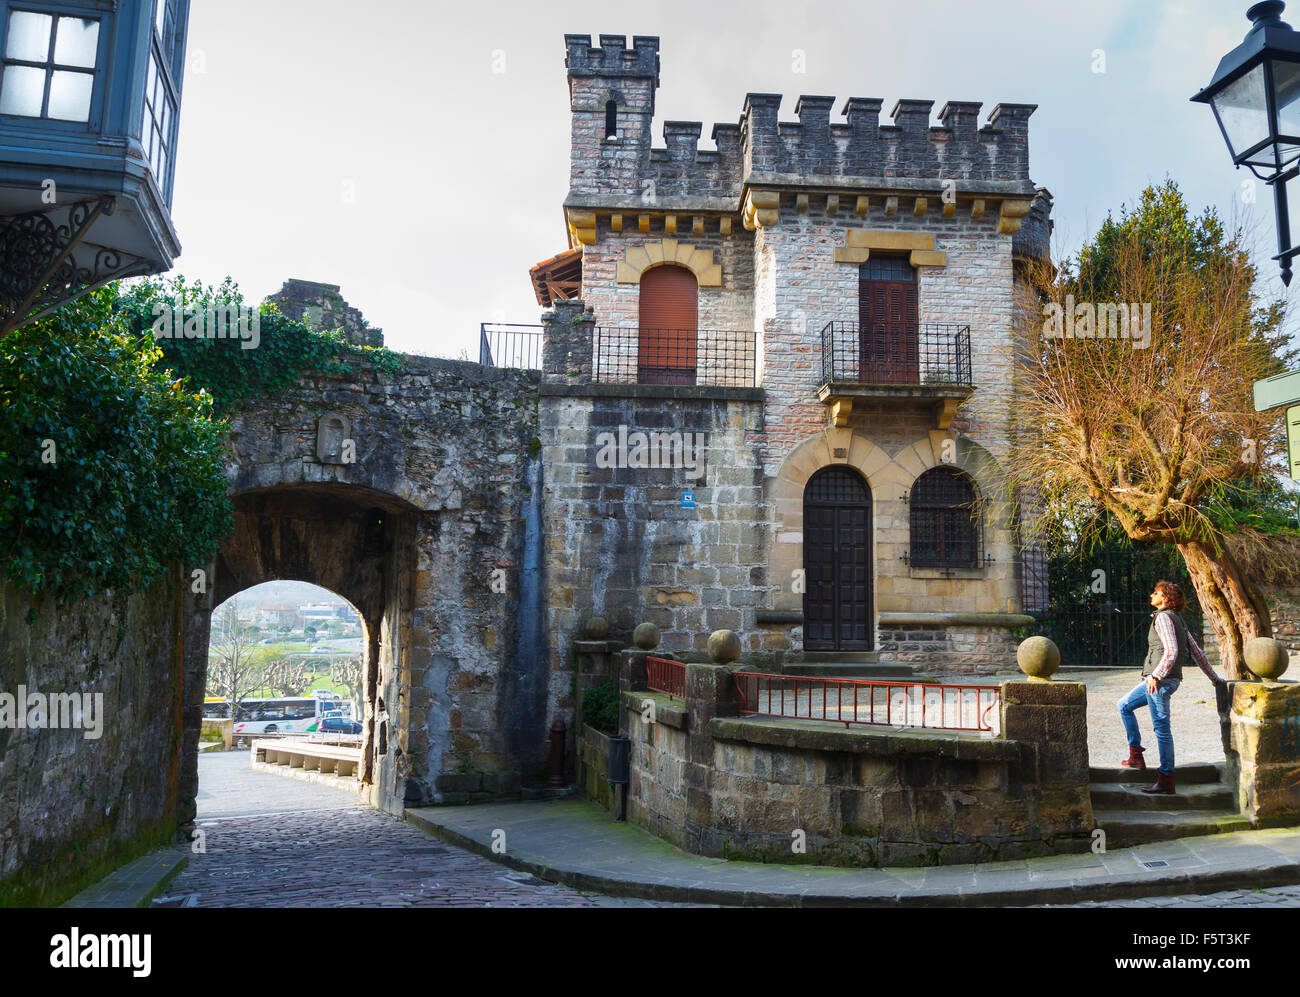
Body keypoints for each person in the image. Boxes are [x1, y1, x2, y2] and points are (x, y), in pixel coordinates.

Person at [1116, 580, 1226, 794]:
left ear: (1165, 597)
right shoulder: (1178, 620)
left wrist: (1156, 675)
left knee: (1162, 730)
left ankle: (1166, 780)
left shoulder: (1164, 618)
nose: (1151, 595)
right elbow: (1197, 652)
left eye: (1155, 592)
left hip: (1160, 682)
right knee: (1124, 705)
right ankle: (1136, 755)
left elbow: (1172, 651)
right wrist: (1215, 679)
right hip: (1160, 680)